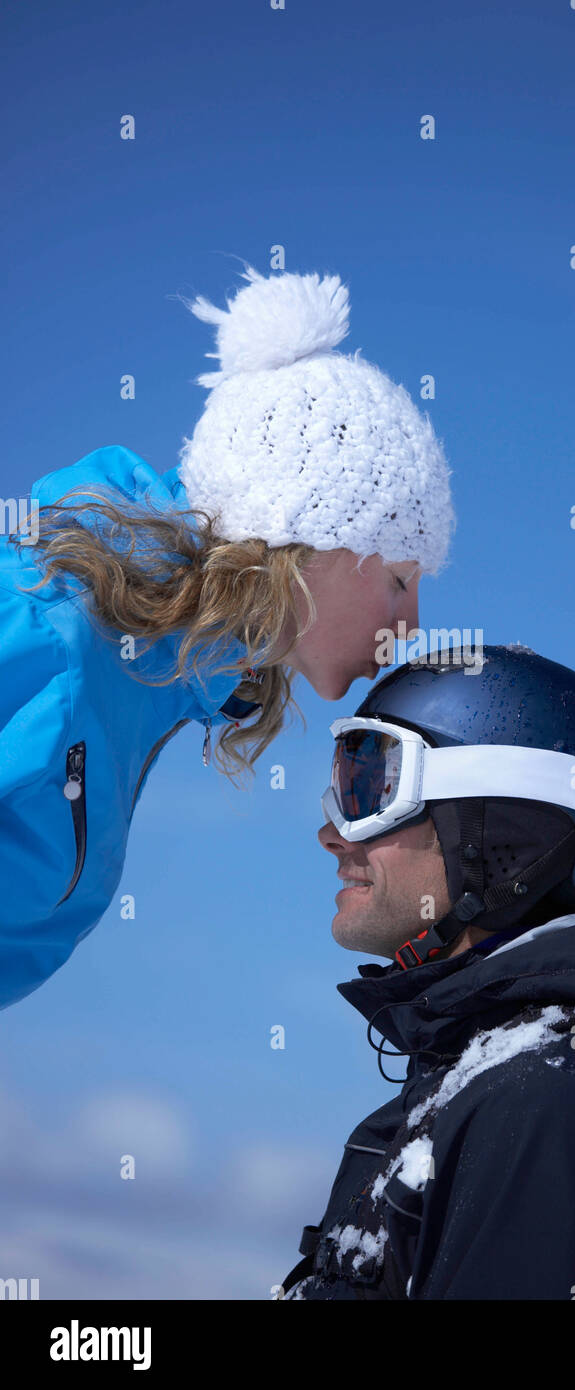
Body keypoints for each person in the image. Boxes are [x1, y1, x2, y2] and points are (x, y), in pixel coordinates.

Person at [0, 264, 454, 1010]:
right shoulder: (44, 629)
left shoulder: (155, 677)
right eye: (400, 580)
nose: (410, 626)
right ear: (305, 545)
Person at [276, 643, 575, 1301]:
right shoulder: (485, 1078)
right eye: (346, 779)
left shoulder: (549, 1101)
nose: (332, 834)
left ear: (504, 840)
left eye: (371, 788)